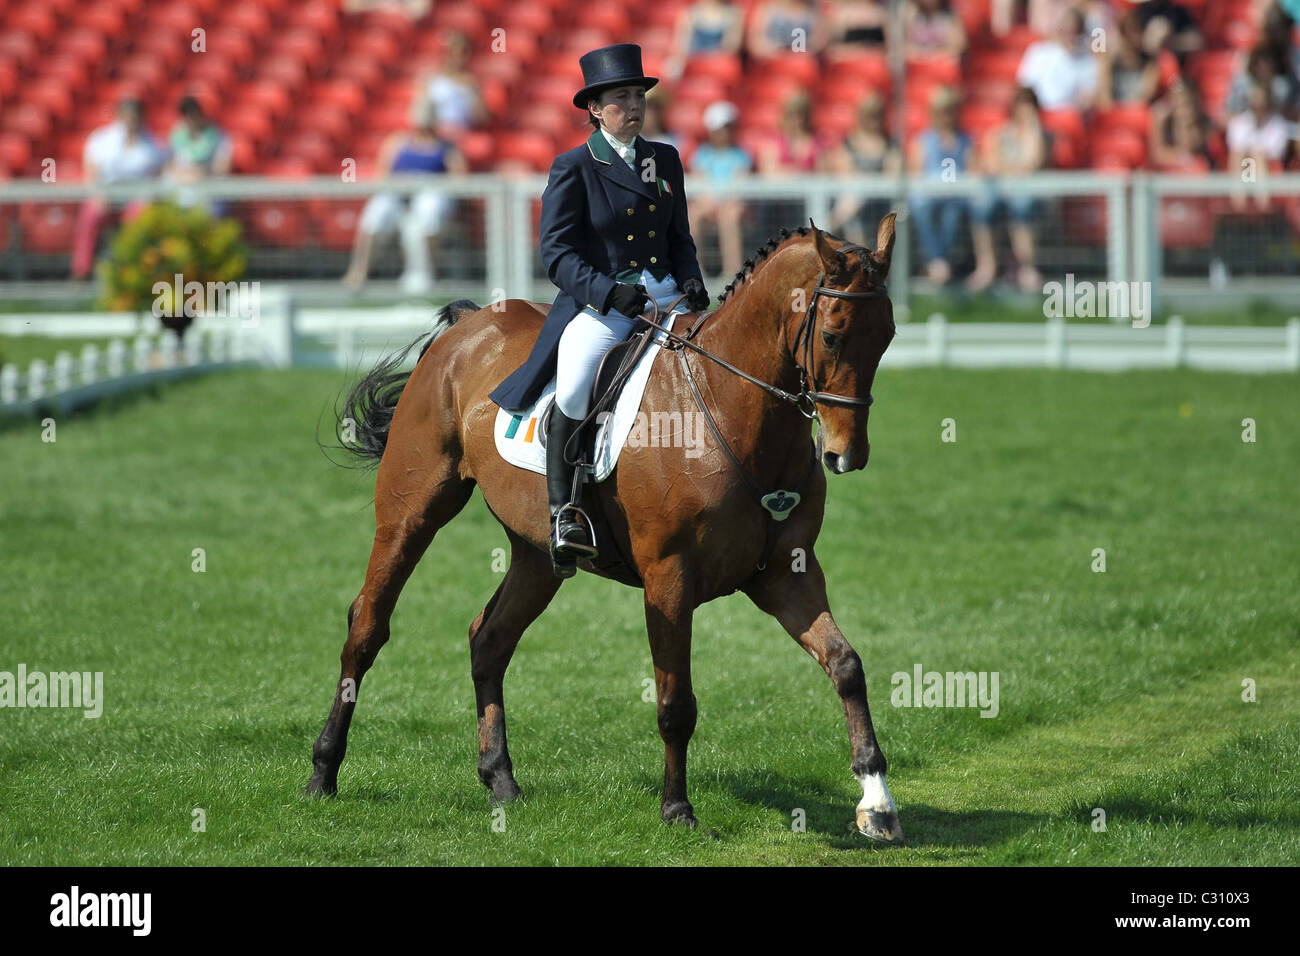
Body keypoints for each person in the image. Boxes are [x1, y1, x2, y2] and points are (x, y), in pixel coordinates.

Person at [487, 44, 709, 577]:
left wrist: (693, 278)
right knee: (577, 375)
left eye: (639, 96)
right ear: (595, 108)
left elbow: (678, 238)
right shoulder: (575, 167)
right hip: (602, 302)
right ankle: (564, 511)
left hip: (665, 295)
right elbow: (557, 255)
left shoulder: (666, 160)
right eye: (620, 98)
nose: (633, 106)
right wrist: (609, 294)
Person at [342, 98, 466, 294]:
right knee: (376, 214)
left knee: (426, 215)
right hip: (398, 194)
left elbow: (459, 180)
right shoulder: (398, 142)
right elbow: (382, 175)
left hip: (429, 195)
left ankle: (422, 275)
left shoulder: (447, 147)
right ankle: (359, 273)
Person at [72, 97, 168, 280]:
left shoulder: (154, 144)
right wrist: (98, 195)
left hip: (137, 197)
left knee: (140, 216)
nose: (131, 121)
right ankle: (81, 270)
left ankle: (133, 270)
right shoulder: (101, 140)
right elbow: (91, 173)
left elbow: (159, 175)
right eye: (128, 116)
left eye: (135, 116)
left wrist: (148, 196)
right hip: (106, 196)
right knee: (91, 215)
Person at [967, 86, 1048, 292]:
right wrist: (1014, 169)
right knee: (983, 205)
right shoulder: (999, 133)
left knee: (1022, 204)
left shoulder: (1039, 135)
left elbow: (1033, 163)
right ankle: (987, 266)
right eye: (1022, 105)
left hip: (1026, 192)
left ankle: (1026, 267)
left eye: (1029, 106)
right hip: (999, 191)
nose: (1025, 110)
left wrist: (1032, 130)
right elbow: (989, 164)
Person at [907, 85, 973, 285]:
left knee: (952, 212)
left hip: (955, 195)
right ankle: (937, 261)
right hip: (929, 194)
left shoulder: (965, 140)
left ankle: (940, 262)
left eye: (950, 111)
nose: (946, 116)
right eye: (942, 111)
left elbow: (972, 170)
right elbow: (916, 173)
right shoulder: (923, 140)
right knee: (921, 207)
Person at [689, 100, 754, 278]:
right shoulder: (702, 154)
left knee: (729, 215)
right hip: (710, 204)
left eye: (728, 127)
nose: (724, 133)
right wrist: (709, 203)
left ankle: (732, 271)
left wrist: (718, 204)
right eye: (720, 128)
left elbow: (739, 188)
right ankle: (695, 269)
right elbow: (699, 184)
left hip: (731, 205)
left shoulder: (742, 154)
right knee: (692, 214)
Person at [827, 94, 901, 245]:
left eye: (877, 116)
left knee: (852, 203)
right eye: (869, 116)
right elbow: (846, 175)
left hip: (880, 198)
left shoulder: (890, 144)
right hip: (854, 198)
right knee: (853, 206)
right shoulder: (849, 143)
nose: (873, 121)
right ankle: (861, 252)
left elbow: (892, 176)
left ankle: (829, 227)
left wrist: (867, 184)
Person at [1016, 7, 1098, 111]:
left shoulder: (1087, 61)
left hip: (1069, 117)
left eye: (1075, 32)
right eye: (1068, 31)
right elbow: (1025, 88)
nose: (1071, 37)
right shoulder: (1038, 52)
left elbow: (1089, 96)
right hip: (1039, 113)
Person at [166, 95, 232, 213]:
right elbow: (169, 166)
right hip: (180, 194)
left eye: (193, 113)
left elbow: (222, 168)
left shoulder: (218, 137)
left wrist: (200, 174)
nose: (190, 118)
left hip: (207, 195)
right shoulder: (177, 137)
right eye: (186, 115)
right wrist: (188, 176)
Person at [415, 31, 487, 140]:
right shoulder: (433, 80)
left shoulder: (471, 84)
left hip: (458, 135)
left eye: (462, 53)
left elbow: (482, 118)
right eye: (453, 53)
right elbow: (421, 116)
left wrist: (472, 94)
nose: (457, 58)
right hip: (434, 133)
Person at [664, 0, 744, 80]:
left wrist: (709, 58)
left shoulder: (732, 14)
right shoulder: (691, 13)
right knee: (673, 67)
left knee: (727, 67)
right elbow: (681, 44)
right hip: (693, 58)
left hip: (716, 60)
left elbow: (730, 48)